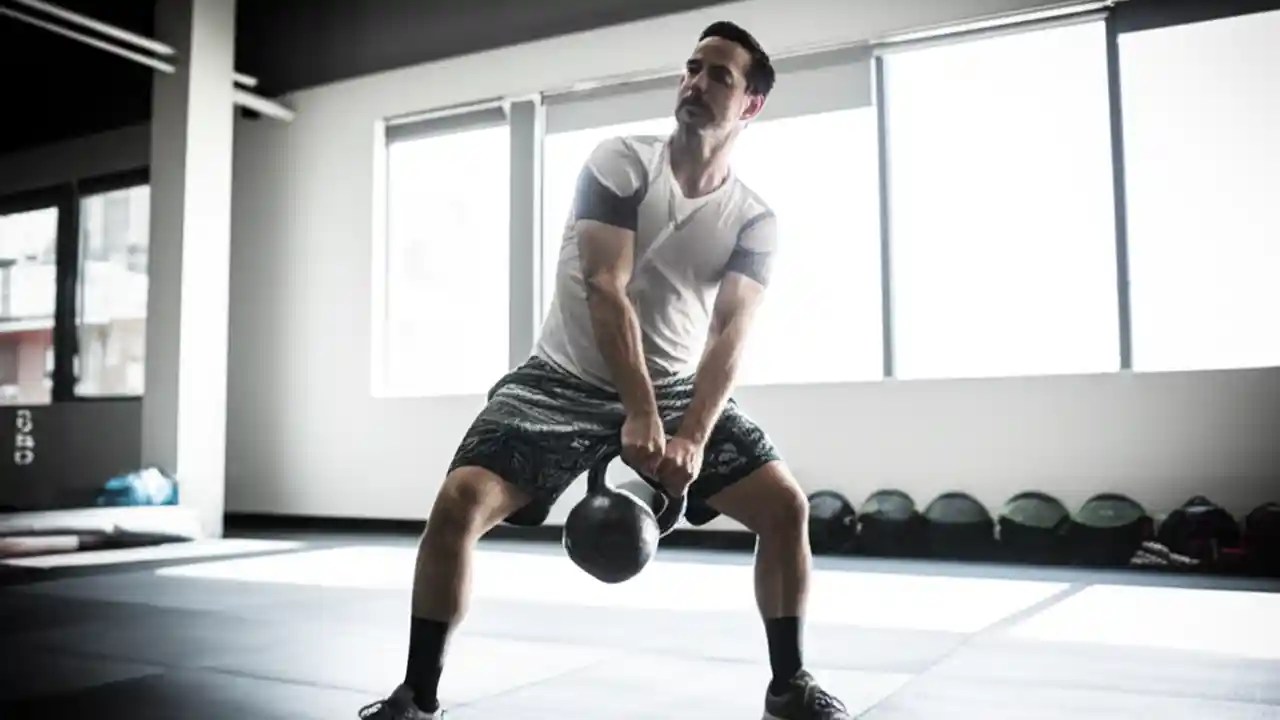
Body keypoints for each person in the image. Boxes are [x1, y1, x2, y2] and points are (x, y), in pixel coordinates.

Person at [359, 20, 851, 720]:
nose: (696, 82)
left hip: (679, 385)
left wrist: (693, 436)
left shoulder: (754, 219)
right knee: (459, 502)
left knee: (785, 507)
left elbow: (731, 333)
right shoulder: (620, 161)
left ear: (751, 105)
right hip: (560, 377)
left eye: (720, 76)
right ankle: (418, 696)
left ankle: (788, 685)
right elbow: (604, 286)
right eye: (692, 67)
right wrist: (642, 415)